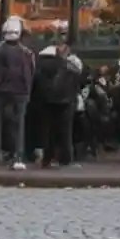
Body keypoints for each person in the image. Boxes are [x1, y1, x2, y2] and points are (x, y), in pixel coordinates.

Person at [0, 16, 35, 170]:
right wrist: (27, 90)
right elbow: (30, 72)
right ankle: (18, 157)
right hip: (20, 91)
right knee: (19, 124)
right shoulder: (26, 53)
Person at [33, 38, 82, 168]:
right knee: (65, 131)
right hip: (66, 102)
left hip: (46, 101)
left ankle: (47, 158)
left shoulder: (41, 65)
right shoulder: (70, 66)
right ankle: (65, 159)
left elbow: (36, 82)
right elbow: (77, 82)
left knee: (48, 131)